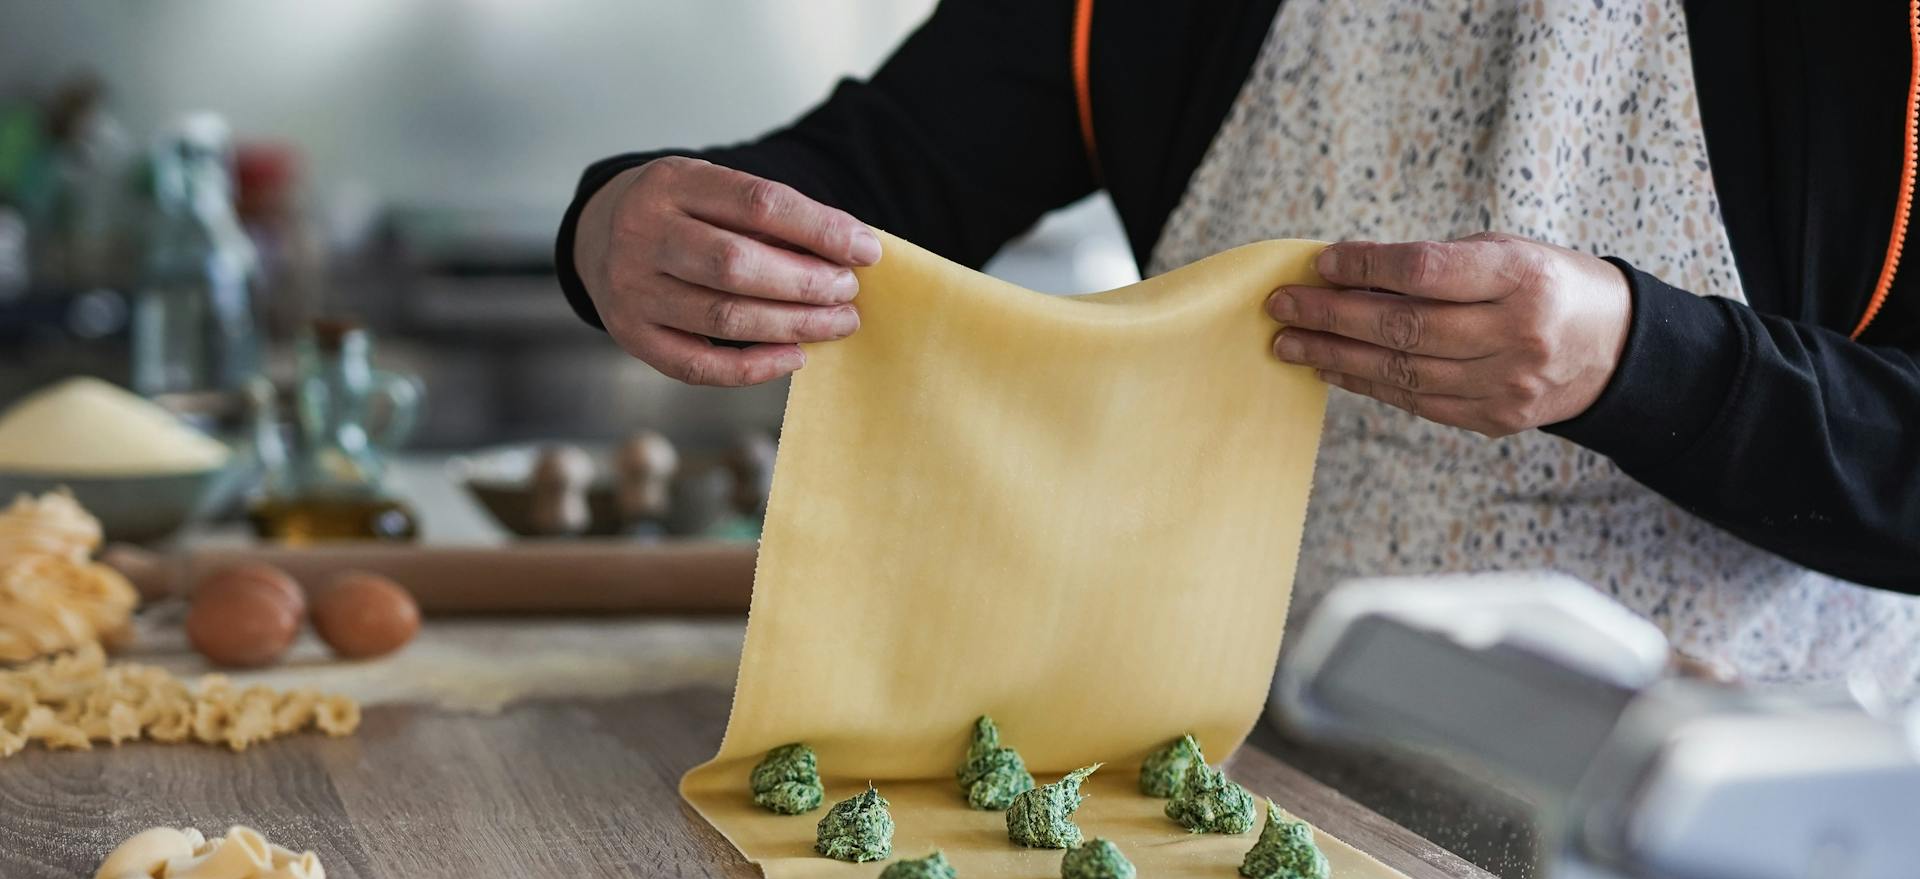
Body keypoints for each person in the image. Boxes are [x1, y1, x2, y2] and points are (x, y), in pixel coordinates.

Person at [558, 1, 1920, 692]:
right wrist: (615, 219)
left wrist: (1647, 364)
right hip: (1251, 772)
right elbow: (869, 178)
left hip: (1738, 847)